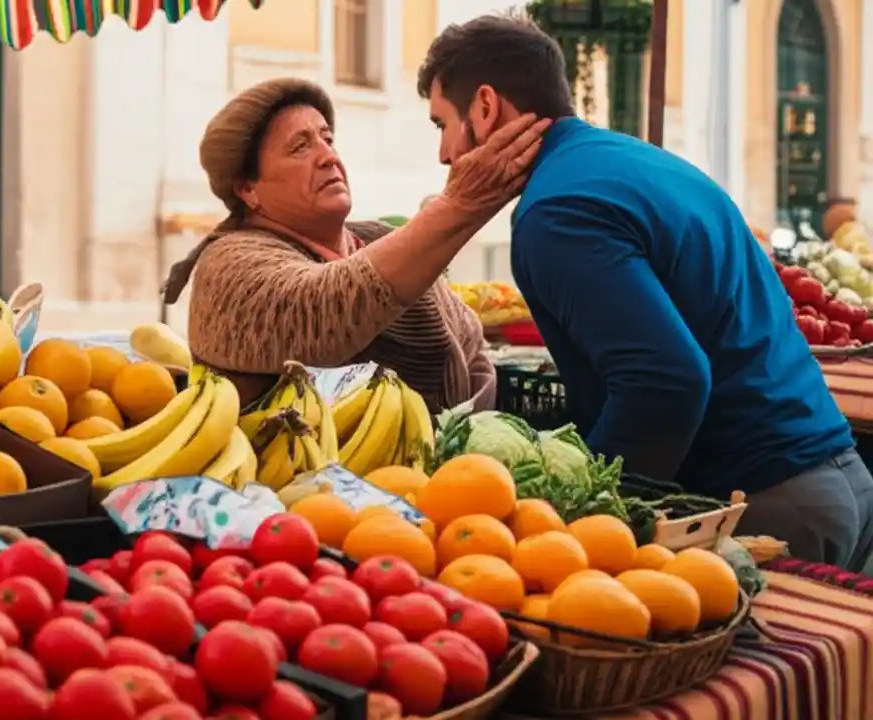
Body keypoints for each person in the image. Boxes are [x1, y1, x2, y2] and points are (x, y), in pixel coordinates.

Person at [417, 15, 873, 570]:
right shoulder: (637, 163)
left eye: (441, 123)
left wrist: (590, 524)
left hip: (762, 505)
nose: (443, 154)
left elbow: (664, 382)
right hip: (838, 475)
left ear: (485, 107)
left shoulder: (556, 212)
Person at [161, 78, 548, 412]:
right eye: (301, 147)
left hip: (445, 480)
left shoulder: (377, 237)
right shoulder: (229, 262)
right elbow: (321, 310)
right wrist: (459, 206)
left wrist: (462, 431)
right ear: (248, 189)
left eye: (327, 139)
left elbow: (469, 342)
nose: (329, 156)